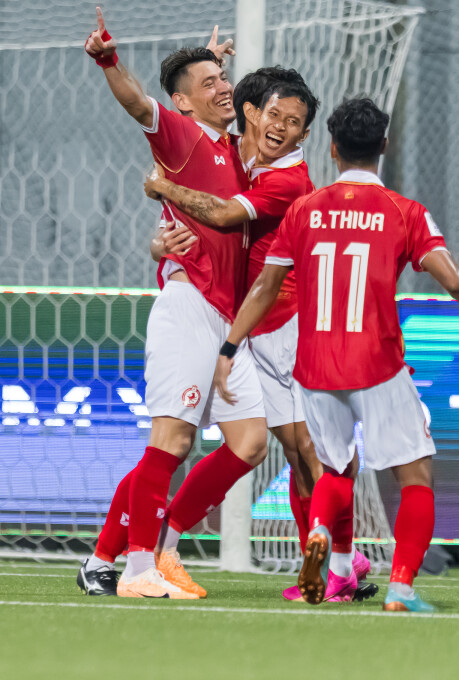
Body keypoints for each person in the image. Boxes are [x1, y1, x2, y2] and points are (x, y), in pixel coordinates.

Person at [212, 98, 459, 612]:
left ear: (331, 148)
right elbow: (455, 281)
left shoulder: (304, 210)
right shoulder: (405, 212)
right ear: (384, 146)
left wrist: (229, 346)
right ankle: (401, 589)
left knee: (333, 471)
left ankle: (319, 540)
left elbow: (266, 288)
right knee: (415, 475)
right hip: (376, 363)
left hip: (314, 366)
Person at [145, 70, 374, 601]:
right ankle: (340, 556)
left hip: (291, 324)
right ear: (253, 112)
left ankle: (339, 558)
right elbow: (194, 125)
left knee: (312, 451)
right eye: (274, 115)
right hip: (255, 328)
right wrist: (208, 66)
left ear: (306, 137)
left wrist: (163, 188)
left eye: (295, 124)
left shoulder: (287, 179)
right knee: (292, 453)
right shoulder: (241, 151)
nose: (281, 128)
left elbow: (225, 215)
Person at [77, 11, 268, 600]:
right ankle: (137, 568)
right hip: (189, 306)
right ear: (183, 104)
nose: (222, 88)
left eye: (222, 79)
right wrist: (110, 61)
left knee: (250, 441)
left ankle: (114, 556)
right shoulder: (180, 138)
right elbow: (139, 103)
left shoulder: (235, 149)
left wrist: (213, 68)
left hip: (226, 319)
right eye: (208, 84)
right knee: (171, 441)